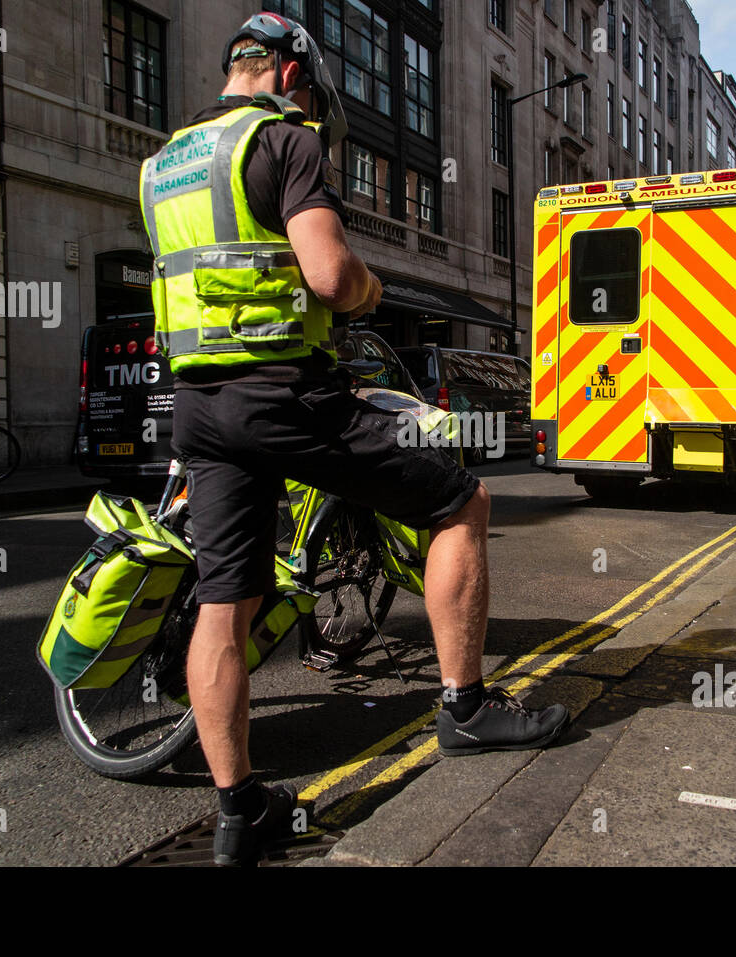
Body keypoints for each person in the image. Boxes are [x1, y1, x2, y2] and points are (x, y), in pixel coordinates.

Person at [138, 12, 568, 867]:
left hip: (199, 406)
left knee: (226, 598)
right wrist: (369, 289)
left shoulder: (163, 166)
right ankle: (467, 707)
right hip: (288, 396)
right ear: (291, 75)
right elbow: (328, 274)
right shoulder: (287, 142)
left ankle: (239, 811)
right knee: (459, 499)